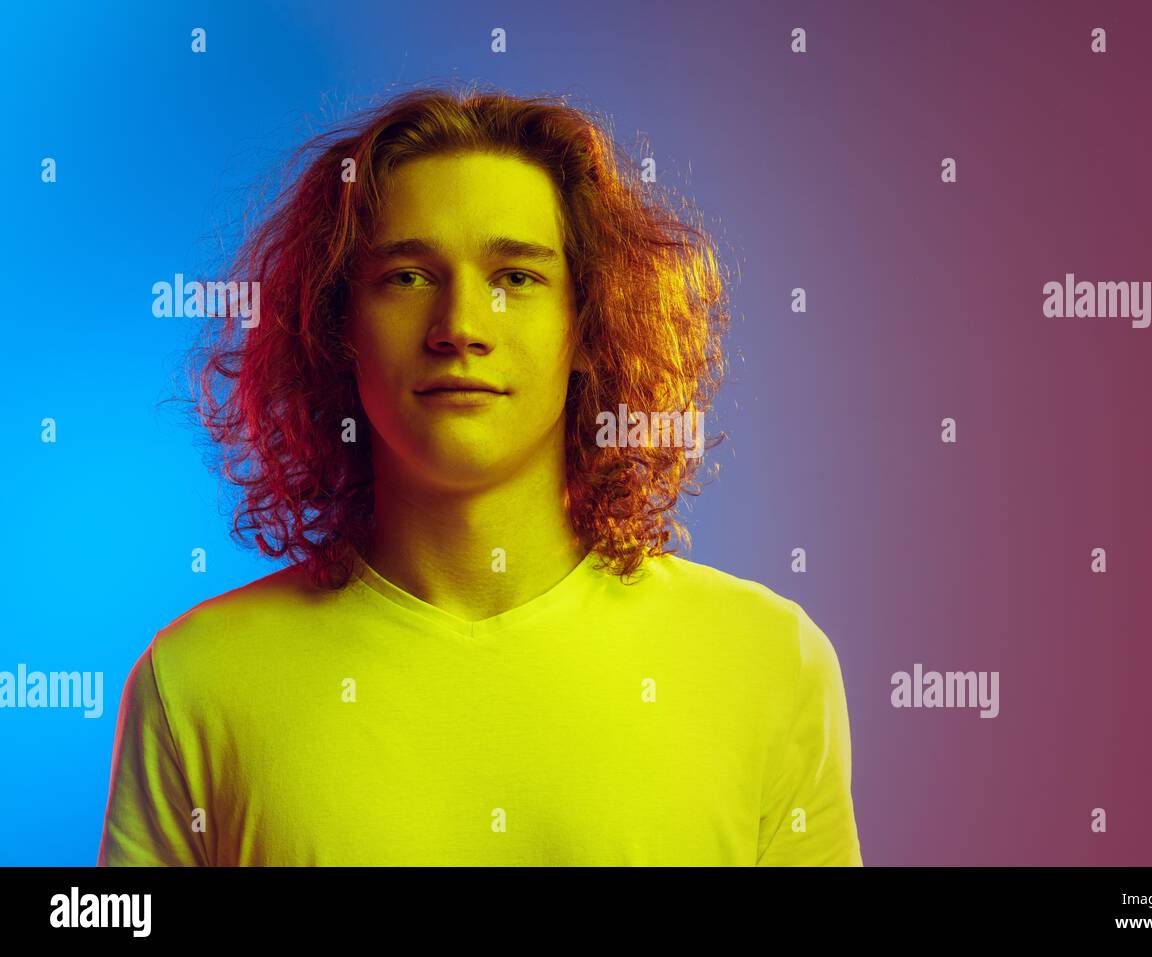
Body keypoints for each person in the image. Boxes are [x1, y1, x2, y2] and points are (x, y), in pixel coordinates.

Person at [97, 85, 862, 866]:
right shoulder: (197, 681)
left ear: (589, 324)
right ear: (338, 327)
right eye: (408, 276)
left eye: (516, 277)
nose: (461, 326)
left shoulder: (767, 665)